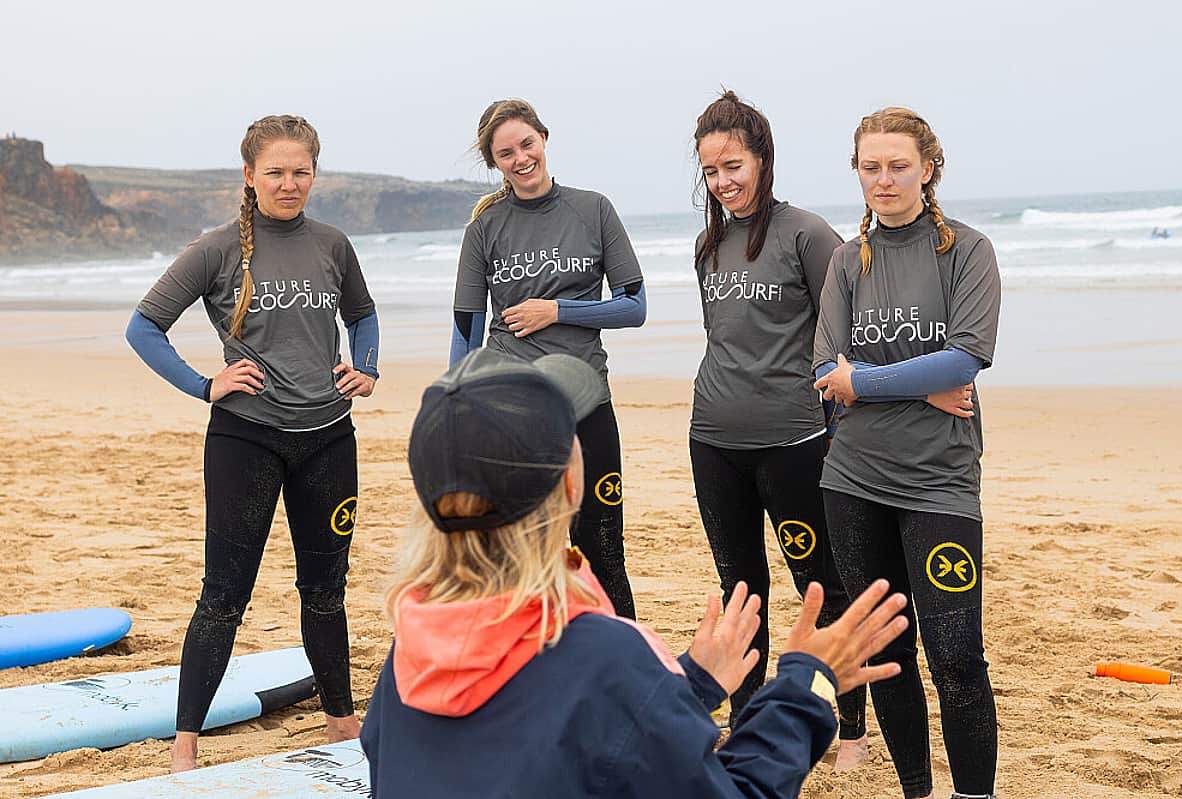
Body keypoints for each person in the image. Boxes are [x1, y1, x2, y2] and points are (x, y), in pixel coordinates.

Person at [359, 347, 911, 798]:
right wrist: (805, 684)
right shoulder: (603, 656)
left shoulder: (410, 649)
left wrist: (687, 688)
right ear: (569, 486)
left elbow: (545, 753)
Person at [124, 114, 379, 772]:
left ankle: (341, 721)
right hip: (246, 438)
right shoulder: (216, 250)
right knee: (223, 594)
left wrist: (366, 364)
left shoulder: (332, 243)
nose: (289, 183)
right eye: (276, 171)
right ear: (249, 175)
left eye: (300, 171)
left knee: (325, 590)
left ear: (314, 173)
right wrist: (205, 383)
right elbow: (145, 326)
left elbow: (363, 313)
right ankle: (185, 745)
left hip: (328, 437)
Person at [812, 107, 1001, 799]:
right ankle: (917, 793)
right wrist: (919, 386)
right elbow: (825, 379)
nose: (883, 179)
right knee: (885, 654)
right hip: (853, 480)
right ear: (858, 172)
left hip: (940, 483)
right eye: (870, 167)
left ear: (927, 167)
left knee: (957, 660)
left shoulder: (968, 251)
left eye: (898, 165)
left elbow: (969, 356)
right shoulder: (844, 262)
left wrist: (866, 379)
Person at [687, 90, 868, 767]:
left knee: (819, 583)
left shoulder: (808, 235)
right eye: (711, 172)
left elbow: (845, 338)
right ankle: (748, 715)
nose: (724, 182)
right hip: (712, 438)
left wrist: (845, 423)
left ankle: (849, 725)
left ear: (761, 159)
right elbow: (721, 337)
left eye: (733, 165)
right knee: (740, 590)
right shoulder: (707, 245)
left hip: (794, 442)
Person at [451, 98, 646, 619]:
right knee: (524, 551)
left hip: (588, 404)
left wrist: (556, 310)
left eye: (526, 144)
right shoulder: (485, 228)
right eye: (506, 153)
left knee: (604, 545)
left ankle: (621, 671)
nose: (520, 159)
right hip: (514, 410)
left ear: (544, 138)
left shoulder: (593, 209)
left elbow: (634, 307)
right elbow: (466, 329)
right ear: (495, 164)